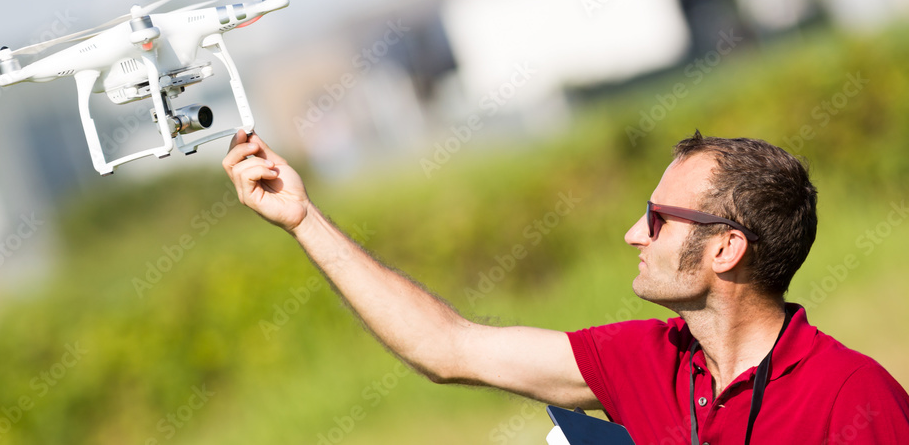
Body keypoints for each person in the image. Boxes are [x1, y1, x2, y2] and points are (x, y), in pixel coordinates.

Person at [222, 130, 909, 444]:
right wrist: (303, 218)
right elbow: (449, 348)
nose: (633, 234)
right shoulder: (647, 358)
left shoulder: (856, 400)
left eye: (659, 219)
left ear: (726, 248)